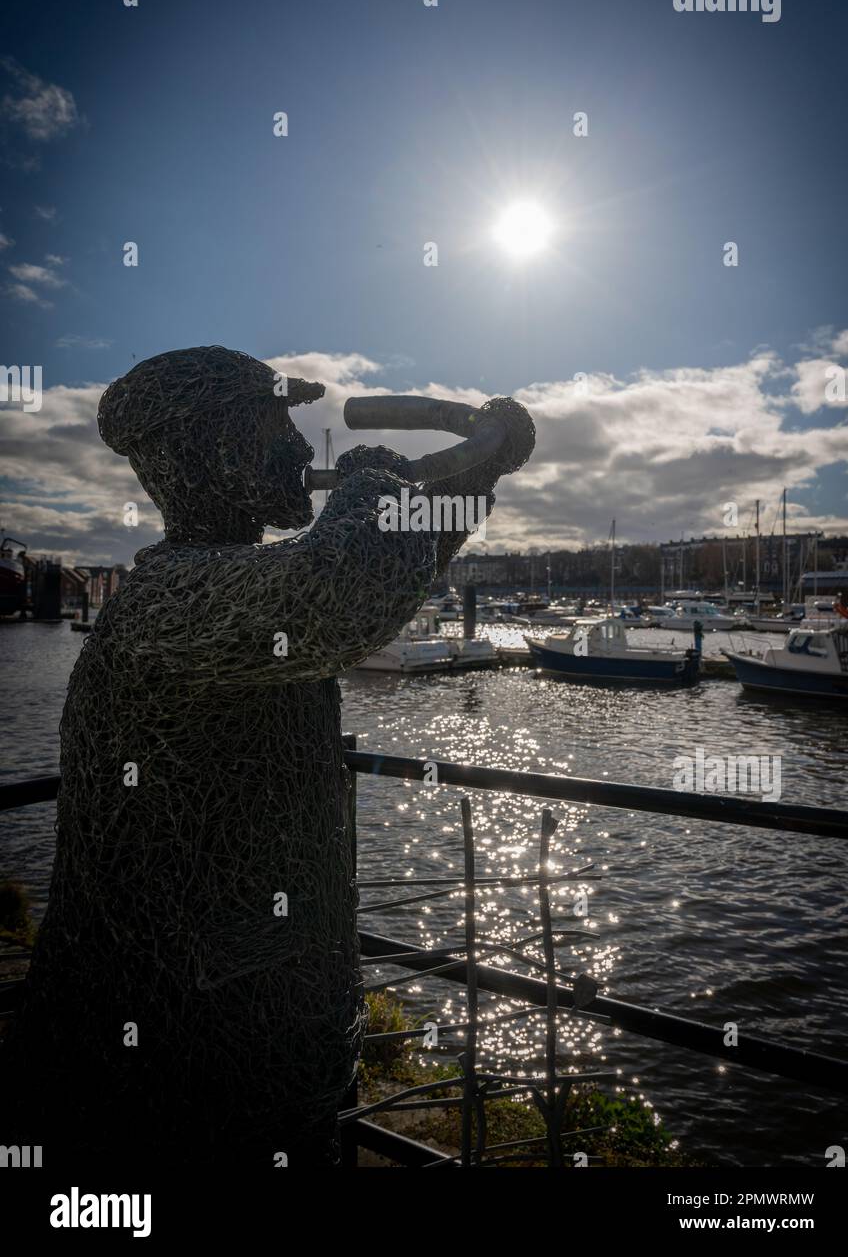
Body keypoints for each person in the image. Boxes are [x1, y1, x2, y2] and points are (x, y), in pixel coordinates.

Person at [3, 345, 534, 1166]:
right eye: (273, 425)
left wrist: (478, 472)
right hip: (179, 1073)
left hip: (268, 1046)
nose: (296, 449)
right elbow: (339, 591)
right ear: (201, 446)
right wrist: (372, 480)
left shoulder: (227, 588)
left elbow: (394, 566)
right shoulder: (165, 603)